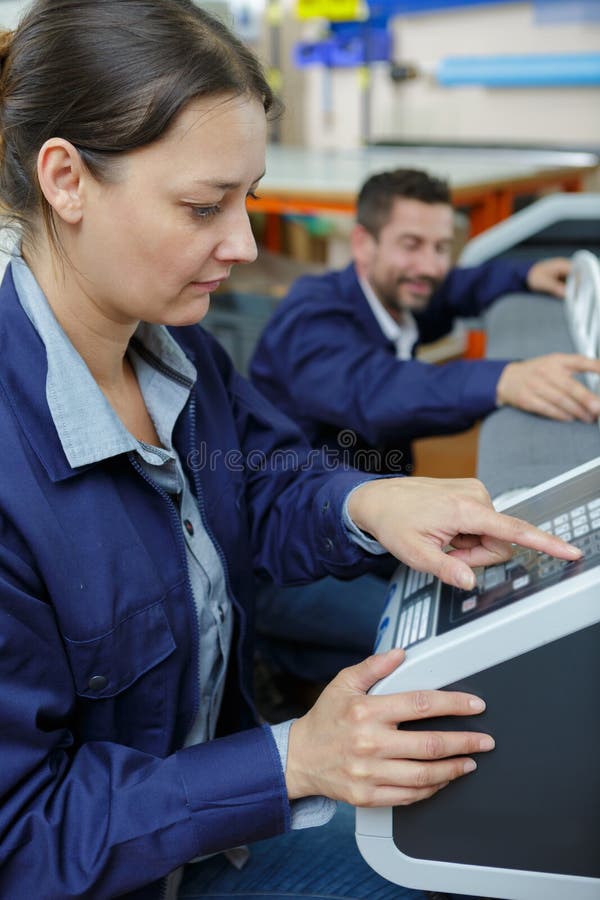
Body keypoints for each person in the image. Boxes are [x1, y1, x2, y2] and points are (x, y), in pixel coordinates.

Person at [0, 4, 581, 899]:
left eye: (249, 199)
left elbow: (257, 480)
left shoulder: (176, 346)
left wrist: (367, 502)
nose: (243, 245)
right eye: (203, 207)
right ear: (67, 181)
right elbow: (22, 838)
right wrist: (293, 761)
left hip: (211, 829)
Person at [248, 168, 600, 687]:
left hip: (363, 524)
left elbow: (457, 286)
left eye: (441, 247)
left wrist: (523, 276)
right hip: (287, 557)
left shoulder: (395, 293)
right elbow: (376, 392)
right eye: (411, 244)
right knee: (440, 649)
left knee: (466, 595)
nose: (430, 266)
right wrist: (503, 379)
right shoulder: (311, 322)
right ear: (362, 244)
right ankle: (277, 654)